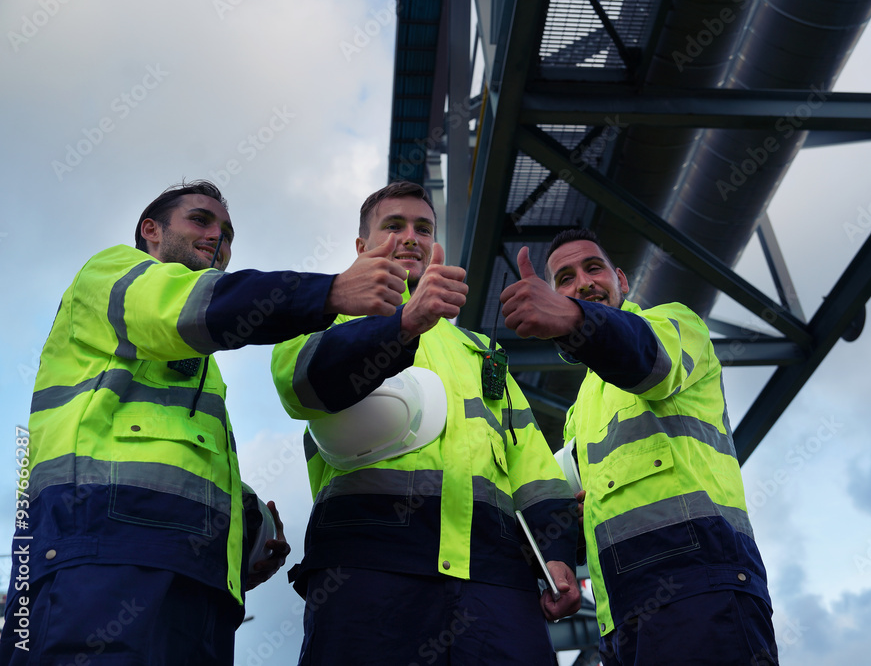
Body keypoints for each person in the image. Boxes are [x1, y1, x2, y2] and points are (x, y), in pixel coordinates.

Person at [0, 180, 409, 665]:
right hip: (101, 560)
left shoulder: (200, 370)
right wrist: (331, 290)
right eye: (201, 220)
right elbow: (191, 306)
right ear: (150, 231)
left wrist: (244, 527)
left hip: (196, 583)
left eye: (228, 232)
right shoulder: (111, 273)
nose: (218, 237)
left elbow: (169, 455)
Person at [270, 181, 582, 665]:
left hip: (496, 581)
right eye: (393, 226)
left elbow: (534, 471)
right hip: (370, 570)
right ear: (361, 247)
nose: (411, 237)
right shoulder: (329, 319)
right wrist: (401, 326)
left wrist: (557, 552)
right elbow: (299, 386)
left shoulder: (483, 353)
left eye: (423, 228)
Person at [500, 228, 779, 665]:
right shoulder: (582, 407)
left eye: (594, 268)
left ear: (622, 280)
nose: (584, 283)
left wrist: (573, 317)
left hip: (701, 583)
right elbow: (563, 492)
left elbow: (649, 359)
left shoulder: (675, 323)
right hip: (620, 611)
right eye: (566, 278)